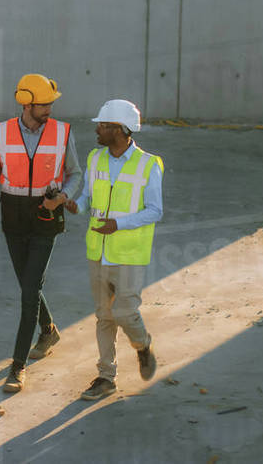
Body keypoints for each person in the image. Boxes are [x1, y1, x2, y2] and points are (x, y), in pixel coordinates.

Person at [0, 74, 82, 393]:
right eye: (43, 103)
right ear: (26, 102)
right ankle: (48, 330)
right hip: (13, 215)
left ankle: (17, 366)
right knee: (28, 285)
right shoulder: (1, 133)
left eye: (51, 102)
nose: (49, 108)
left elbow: (75, 173)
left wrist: (62, 197)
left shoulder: (62, 133)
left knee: (28, 291)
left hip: (46, 215)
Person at [68, 99, 164, 401]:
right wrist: (73, 205)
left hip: (129, 254)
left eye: (104, 126)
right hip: (97, 250)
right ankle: (105, 376)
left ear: (121, 130)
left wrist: (119, 225)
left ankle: (142, 345)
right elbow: (86, 197)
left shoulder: (149, 165)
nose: (97, 130)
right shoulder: (95, 158)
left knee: (125, 311)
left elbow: (155, 210)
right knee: (104, 316)